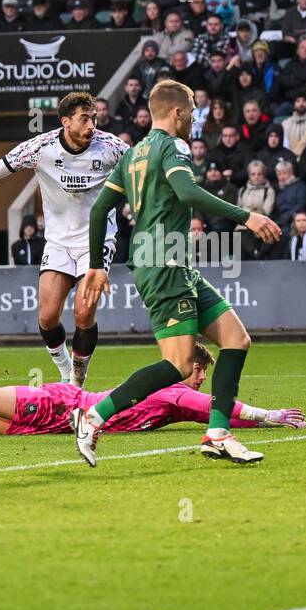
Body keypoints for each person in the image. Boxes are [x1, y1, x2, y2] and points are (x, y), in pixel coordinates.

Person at [76, 79, 281, 465]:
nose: (194, 119)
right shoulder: (174, 146)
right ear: (177, 113)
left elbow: (99, 209)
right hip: (161, 263)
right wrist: (247, 216)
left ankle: (218, 434)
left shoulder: (133, 154)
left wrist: (94, 267)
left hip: (172, 262)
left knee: (236, 339)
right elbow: (188, 193)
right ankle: (93, 416)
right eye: (192, 112)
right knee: (179, 365)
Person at [0, 290, 306, 436]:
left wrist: (256, 420)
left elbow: (216, 416)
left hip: (64, 424)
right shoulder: (177, 388)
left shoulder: (177, 404)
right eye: (203, 373)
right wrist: (270, 416)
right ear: (195, 369)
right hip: (66, 406)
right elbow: (220, 408)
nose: (204, 382)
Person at [0, 92, 127, 387]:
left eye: (94, 118)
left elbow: (144, 166)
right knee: (48, 317)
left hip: (97, 240)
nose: (91, 125)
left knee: (84, 313)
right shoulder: (40, 147)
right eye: (84, 119)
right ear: (66, 122)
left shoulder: (111, 146)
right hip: (59, 242)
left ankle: (77, 379)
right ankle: (64, 370)